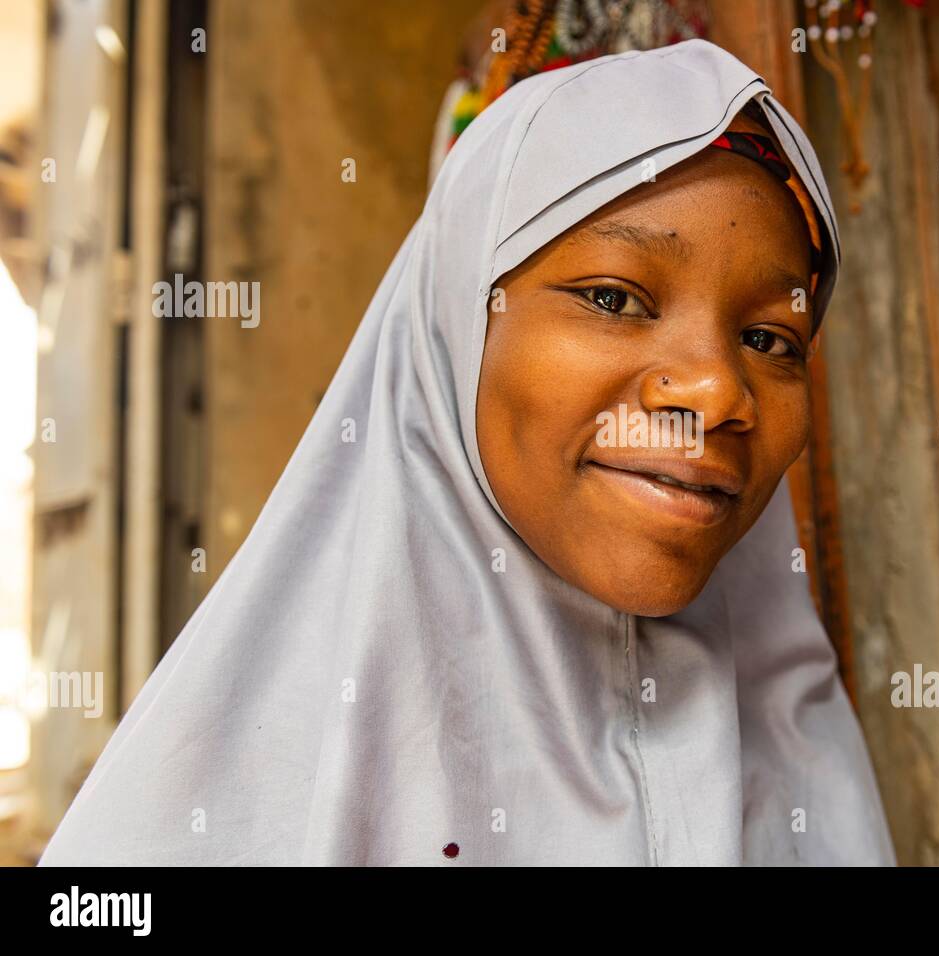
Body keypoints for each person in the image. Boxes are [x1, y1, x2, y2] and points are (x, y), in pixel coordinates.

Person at [39, 38, 894, 866]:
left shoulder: (799, 761)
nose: (715, 389)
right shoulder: (221, 809)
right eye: (613, 296)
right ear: (457, 327)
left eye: (770, 339)